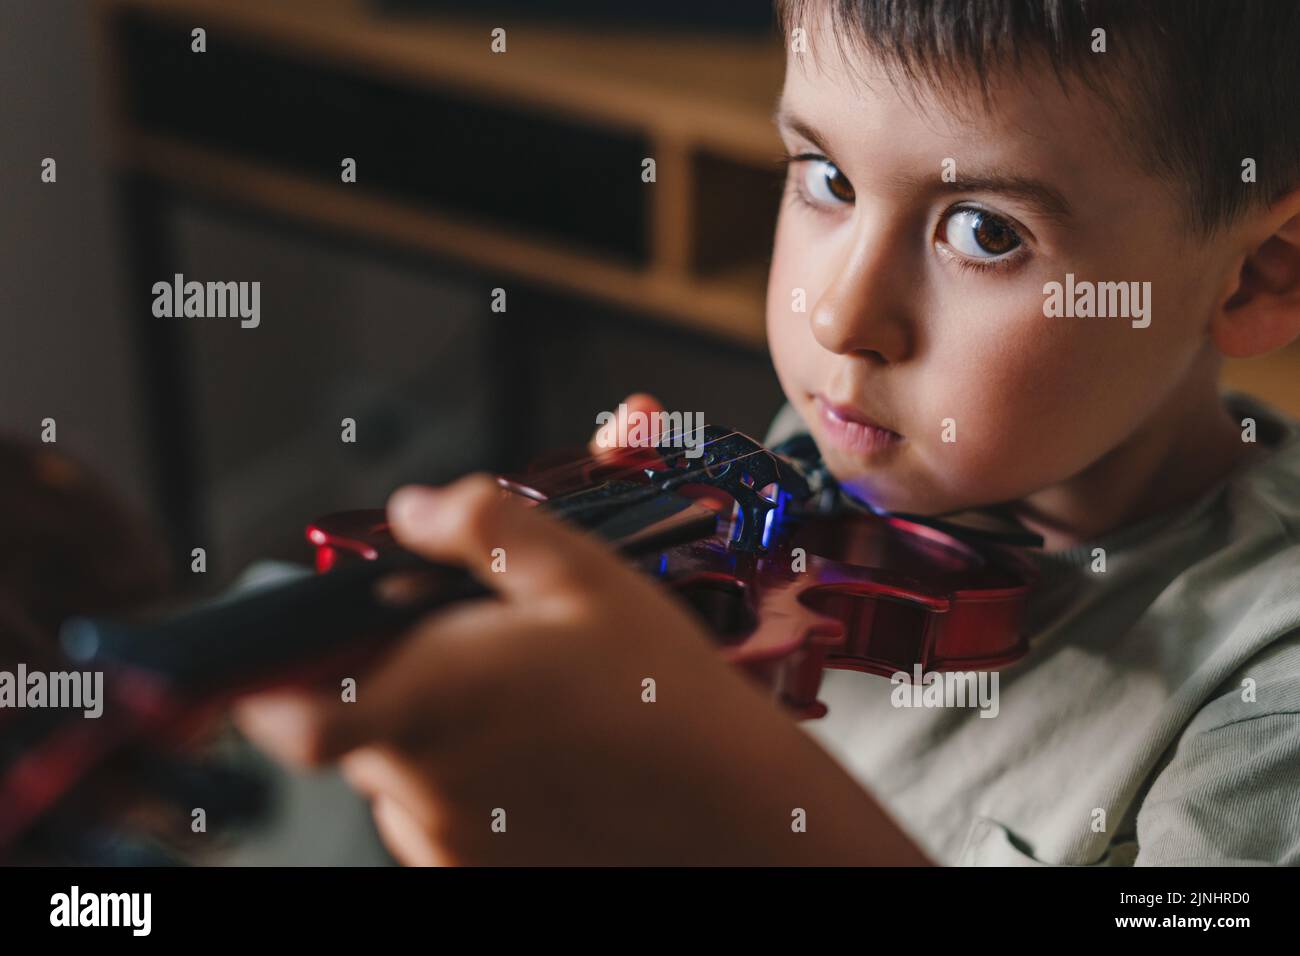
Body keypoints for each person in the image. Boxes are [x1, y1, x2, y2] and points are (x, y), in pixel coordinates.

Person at [235, 0, 1300, 865]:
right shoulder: (816, 471)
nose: (838, 316)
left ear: (1257, 274)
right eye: (826, 179)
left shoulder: (1263, 697)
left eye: (983, 231)